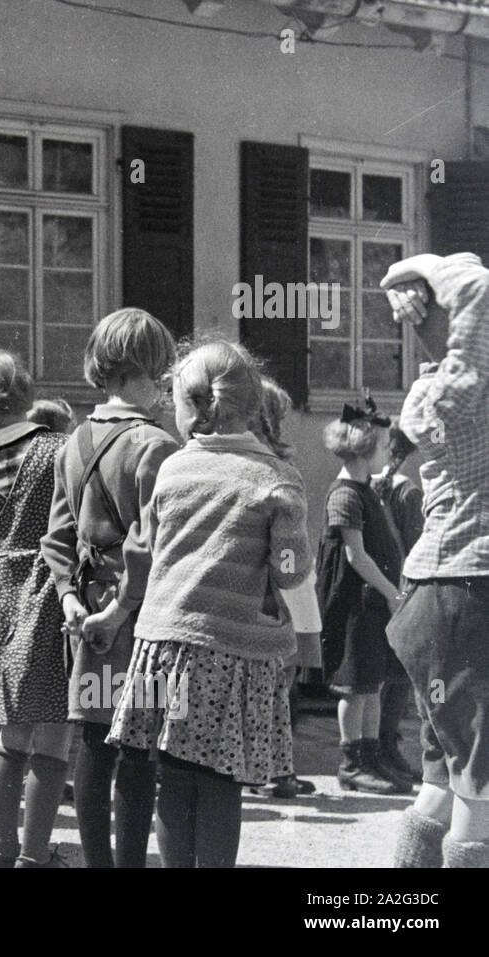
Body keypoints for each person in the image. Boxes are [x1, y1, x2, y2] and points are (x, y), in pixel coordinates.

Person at [107, 340, 311, 868]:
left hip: (162, 643)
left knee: (171, 774)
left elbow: (145, 551)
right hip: (231, 650)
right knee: (220, 781)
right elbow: (291, 574)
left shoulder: (174, 469)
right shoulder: (276, 479)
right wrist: (289, 527)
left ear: (192, 405)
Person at [40, 307, 177, 867]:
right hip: (135, 617)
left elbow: (57, 538)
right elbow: (147, 546)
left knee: (94, 747)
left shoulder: (73, 441)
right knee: (139, 751)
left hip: (87, 613)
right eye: (160, 371)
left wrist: (72, 600)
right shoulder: (156, 446)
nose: (166, 384)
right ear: (141, 369)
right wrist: (119, 612)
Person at [381, 252, 489, 868]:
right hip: (464, 588)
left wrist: (417, 287)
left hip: (437, 593)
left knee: (443, 780)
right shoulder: (458, 391)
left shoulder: (433, 390)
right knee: (479, 779)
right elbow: (475, 284)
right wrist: (428, 272)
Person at [0, 350, 73, 868]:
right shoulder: (56, 449)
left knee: (10, 731)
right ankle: (33, 856)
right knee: (54, 732)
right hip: (49, 583)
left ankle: (1, 853)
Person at [315, 398, 408, 795]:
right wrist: (391, 593)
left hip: (372, 606)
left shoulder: (367, 490)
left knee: (372, 683)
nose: (389, 453)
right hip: (355, 606)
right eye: (384, 446)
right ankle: (351, 762)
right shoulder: (345, 495)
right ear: (364, 448)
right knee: (355, 688)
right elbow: (355, 556)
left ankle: (373, 759)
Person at [249, 375, 320, 800]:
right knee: (269, 687)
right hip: (272, 592)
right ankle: (263, 770)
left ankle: (276, 768)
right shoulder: (271, 471)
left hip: (284, 589)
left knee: (279, 686)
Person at [370, 425, 425, 785]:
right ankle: (386, 745)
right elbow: (416, 546)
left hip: (376, 584)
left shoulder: (374, 483)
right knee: (399, 675)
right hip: (403, 587)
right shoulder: (409, 490)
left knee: (378, 678)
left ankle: (378, 747)